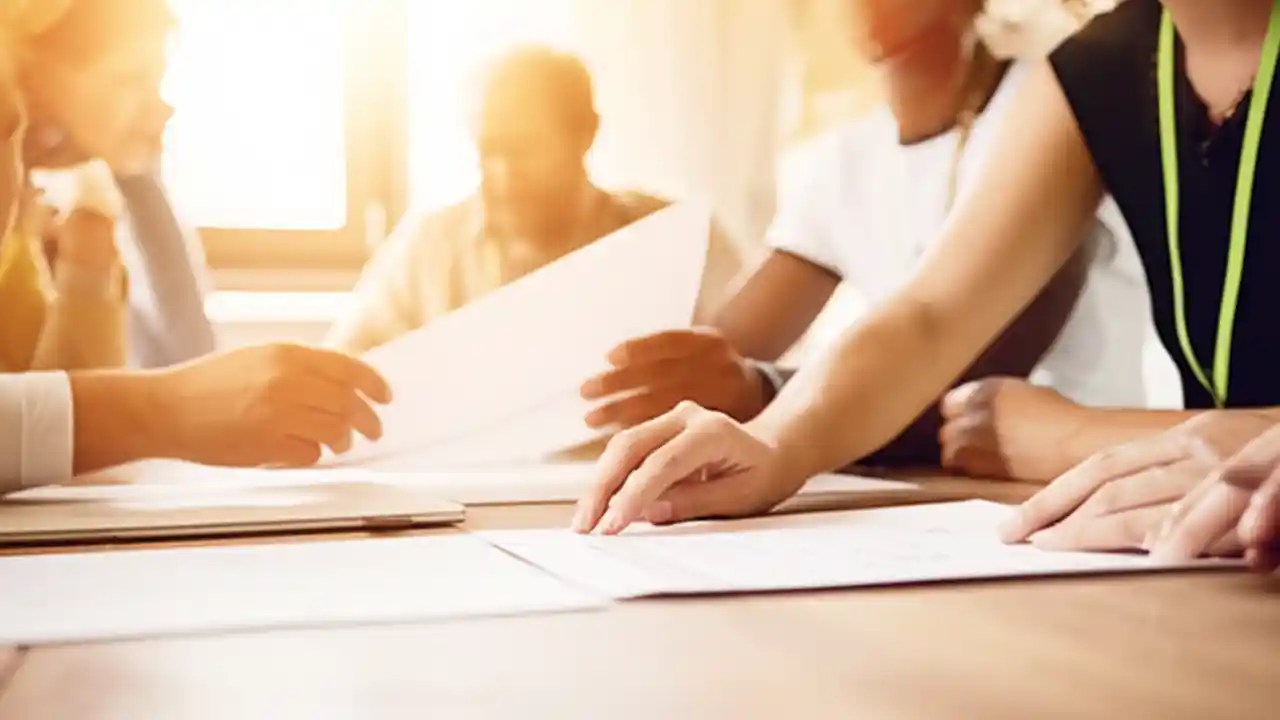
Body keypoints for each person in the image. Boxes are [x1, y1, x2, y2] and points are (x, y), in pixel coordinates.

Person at [571, 0, 1280, 538]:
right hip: (1214, 531)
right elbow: (930, 314)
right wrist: (779, 440)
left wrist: (1069, 435)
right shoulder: (1101, 69)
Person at [326, 46, 743, 355]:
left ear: (586, 133)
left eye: (523, 150)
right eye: (488, 150)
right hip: (468, 469)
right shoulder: (426, 247)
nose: (503, 174)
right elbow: (346, 364)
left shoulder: (680, 237)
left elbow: (750, 366)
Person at [18, 0, 215, 368]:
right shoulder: (28, 219)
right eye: (130, 80)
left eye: (157, 82)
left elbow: (195, 355)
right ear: (35, 73)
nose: (161, 110)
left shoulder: (126, 186)